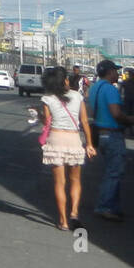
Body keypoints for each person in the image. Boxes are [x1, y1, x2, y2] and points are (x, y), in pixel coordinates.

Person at [87, 59, 134, 221]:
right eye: (115, 71)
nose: (118, 74)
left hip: (100, 133)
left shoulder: (94, 88)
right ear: (109, 72)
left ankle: (114, 206)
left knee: (113, 171)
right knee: (114, 172)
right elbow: (116, 113)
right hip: (112, 134)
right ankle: (104, 206)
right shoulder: (110, 90)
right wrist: (131, 120)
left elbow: (92, 110)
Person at [39, 67, 94, 230]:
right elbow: (84, 122)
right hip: (73, 139)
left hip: (55, 139)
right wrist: (90, 144)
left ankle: (63, 221)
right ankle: (74, 213)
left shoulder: (47, 99)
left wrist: (39, 115)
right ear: (65, 81)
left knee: (59, 183)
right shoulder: (77, 96)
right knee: (75, 180)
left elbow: (47, 122)